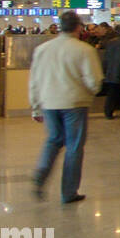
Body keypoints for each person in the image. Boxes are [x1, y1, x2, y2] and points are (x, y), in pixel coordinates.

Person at [29, 11, 102, 203]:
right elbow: (94, 81)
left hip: (49, 103)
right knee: (74, 147)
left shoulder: (42, 49)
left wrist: (36, 107)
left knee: (53, 140)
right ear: (79, 27)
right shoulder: (84, 49)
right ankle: (68, 192)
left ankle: (41, 173)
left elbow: (34, 81)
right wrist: (90, 92)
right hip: (75, 103)